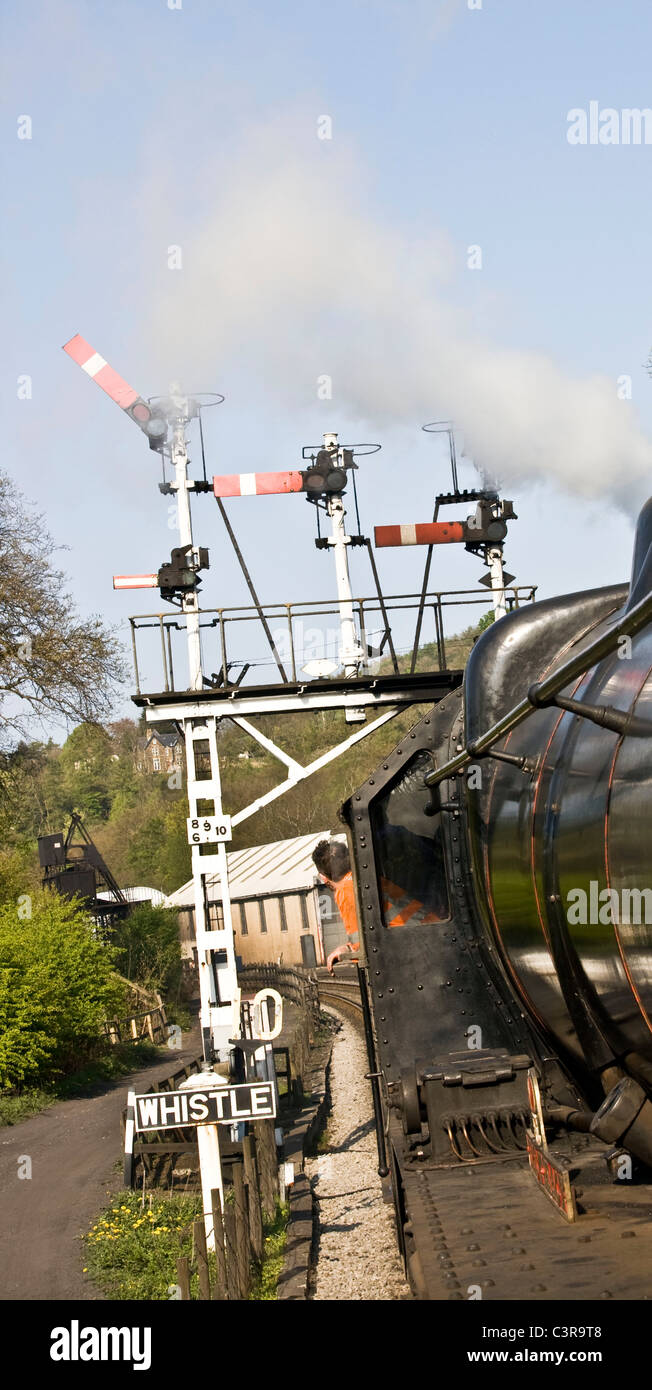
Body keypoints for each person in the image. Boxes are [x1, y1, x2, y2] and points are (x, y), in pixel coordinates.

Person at [312, 839, 360, 974]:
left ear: (323, 878)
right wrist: (347, 947)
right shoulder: (363, 877)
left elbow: (361, 945)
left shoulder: (345, 891)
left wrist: (348, 949)